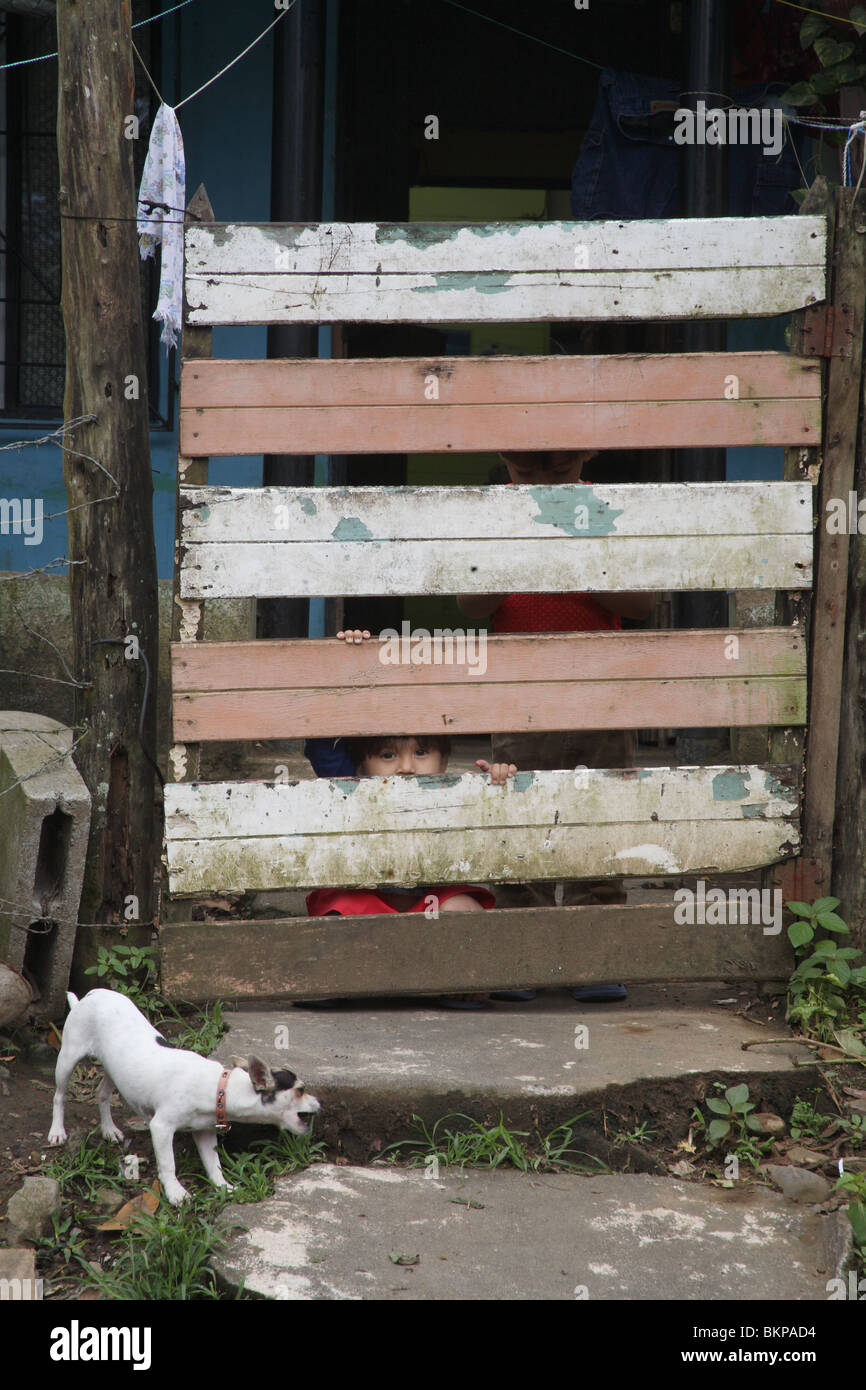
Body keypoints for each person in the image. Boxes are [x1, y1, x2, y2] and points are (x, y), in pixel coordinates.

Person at [457, 448, 655, 1003]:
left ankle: (596, 956)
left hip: (602, 697)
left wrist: (578, 556)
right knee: (523, 821)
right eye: (525, 473)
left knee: (601, 821)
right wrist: (520, 550)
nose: (543, 484)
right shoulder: (496, 516)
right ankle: (525, 957)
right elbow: (470, 604)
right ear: (503, 461)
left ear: (587, 456)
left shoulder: (607, 511)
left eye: (561, 472)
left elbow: (644, 601)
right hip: (520, 697)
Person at [303, 632, 516, 1010]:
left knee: (464, 909)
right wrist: (349, 661)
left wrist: (496, 781)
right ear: (360, 765)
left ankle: (456, 981)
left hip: (428, 903)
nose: (406, 767)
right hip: (369, 900)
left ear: (445, 761)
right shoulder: (349, 781)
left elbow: (499, 811)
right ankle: (348, 978)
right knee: (340, 909)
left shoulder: (454, 788)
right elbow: (321, 732)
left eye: (421, 752)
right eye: (387, 755)